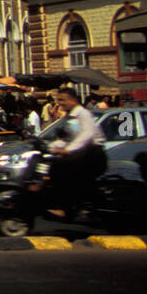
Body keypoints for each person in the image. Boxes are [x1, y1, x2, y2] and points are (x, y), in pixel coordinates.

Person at [45, 87, 106, 216]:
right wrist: (51, 147)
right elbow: (68, 139)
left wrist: (67, 150)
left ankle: (68, 208)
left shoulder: (83, 114)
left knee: (64, 167)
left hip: (94, 154)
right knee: (54, 166)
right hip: (83, 153)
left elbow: (87, 134)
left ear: (73, 100)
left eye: (62, 100)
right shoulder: (71, 117)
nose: (59, 103)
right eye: (58, 100)